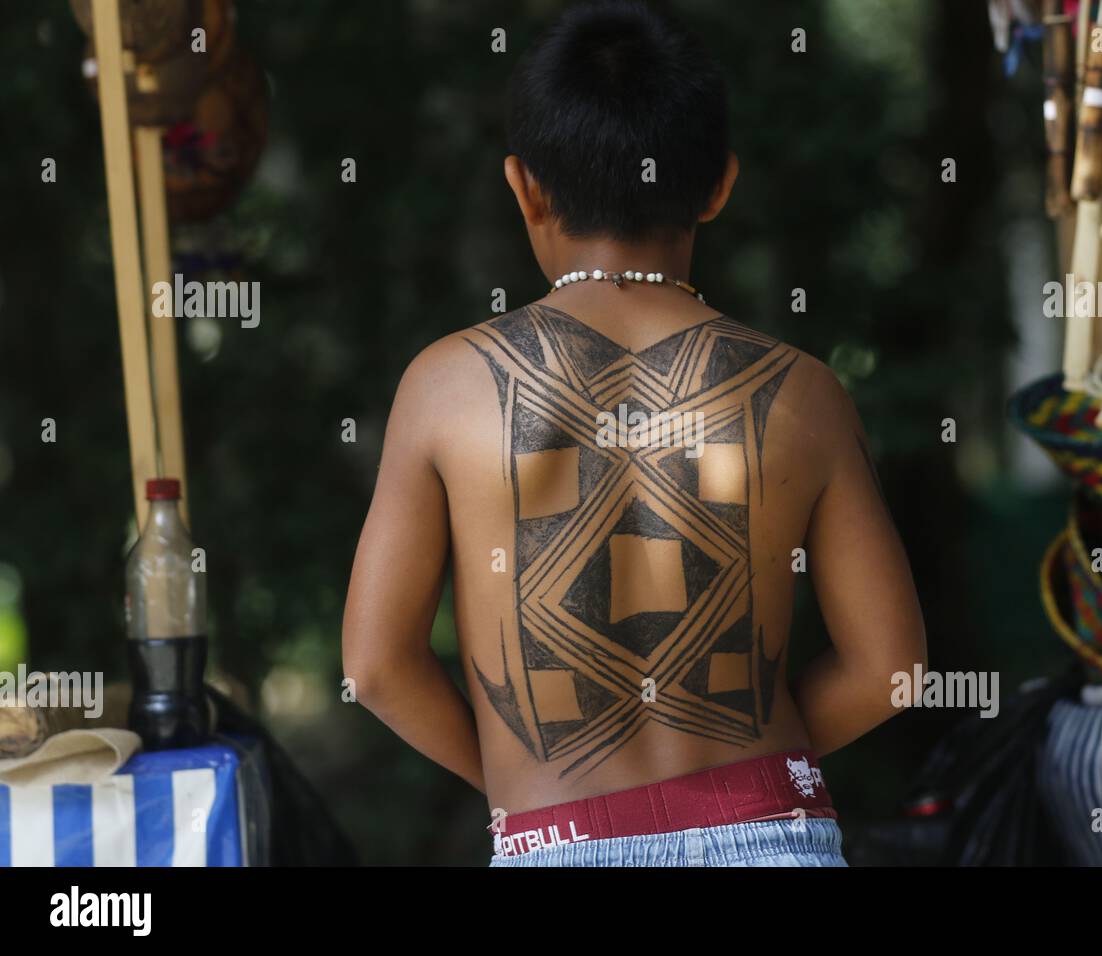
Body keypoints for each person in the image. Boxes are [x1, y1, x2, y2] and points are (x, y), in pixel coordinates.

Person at [341, 0, 926, 867]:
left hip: (556, 842)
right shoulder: (802, 390)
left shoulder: (445, 386)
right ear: (720, 184)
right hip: (772, 834)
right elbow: (893, 672)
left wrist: (526, 788)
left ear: (525, 186)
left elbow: (377, 668)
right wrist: (742, 772)